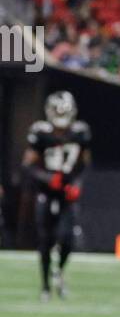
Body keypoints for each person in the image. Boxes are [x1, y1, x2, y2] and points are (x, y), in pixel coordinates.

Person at [22, 91, 91, 299]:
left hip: (67, 194)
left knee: (67, 239)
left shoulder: (80, 132)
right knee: (45, 239)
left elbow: (86, 164)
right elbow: (28, 165)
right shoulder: (40, 133)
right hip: (46, 192)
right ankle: (45, 286)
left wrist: (77, 183)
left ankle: (58, 272)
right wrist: (46, 178)